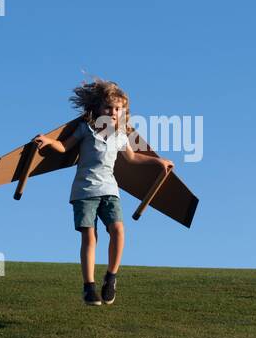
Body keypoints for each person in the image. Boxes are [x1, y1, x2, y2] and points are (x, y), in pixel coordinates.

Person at [33, 79, 172, 305]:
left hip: (109, 189)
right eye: (109, 107)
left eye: (118, 109)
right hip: (84, 190)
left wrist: (158, 161)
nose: (113, 112)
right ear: (97, 108)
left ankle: (111, 277)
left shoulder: (120, 136)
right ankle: (89, 287)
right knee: (89, 236)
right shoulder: (85, 129)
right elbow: (64, 147)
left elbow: (133, 157)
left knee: (118, 230)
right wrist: (48, 141)